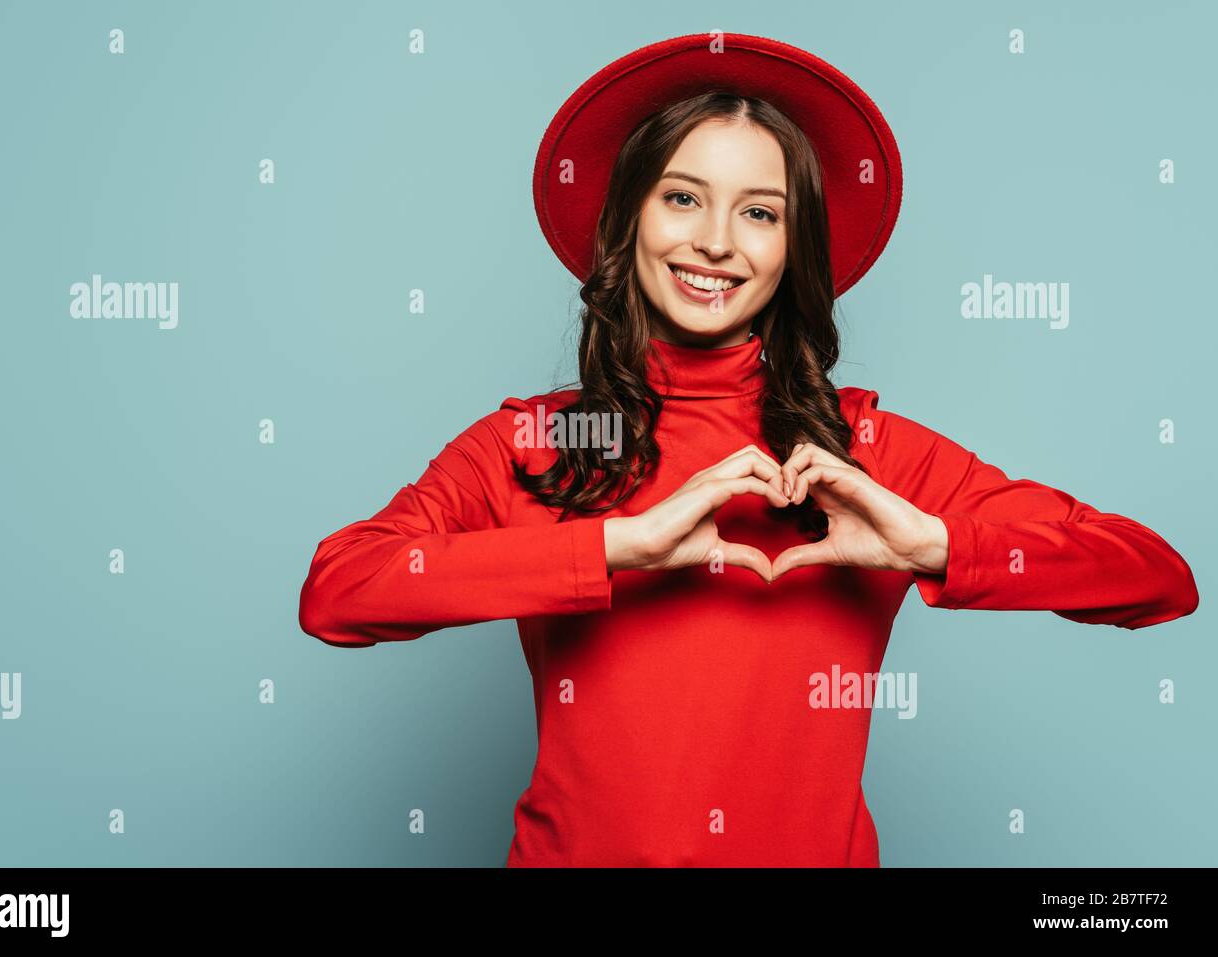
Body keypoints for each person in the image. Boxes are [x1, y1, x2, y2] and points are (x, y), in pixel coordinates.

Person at [297, 33, 1199, 867]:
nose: (716, 241)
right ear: (629, 219)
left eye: (759, 213)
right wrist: (620, 546)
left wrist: (934, 546)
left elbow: (1157, 578)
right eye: (683, 197)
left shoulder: (862, 450)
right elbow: (341, 590)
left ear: (792, 248)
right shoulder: (551, 439)